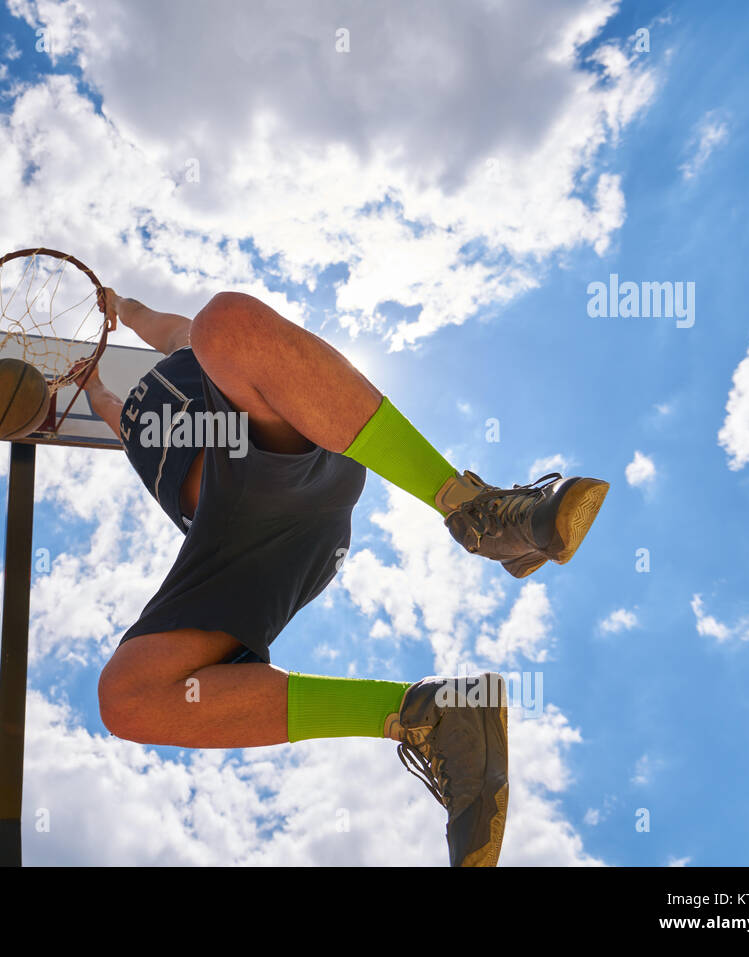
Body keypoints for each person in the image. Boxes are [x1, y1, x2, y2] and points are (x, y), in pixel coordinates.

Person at [81, 289, 609, 866]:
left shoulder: (186, 356)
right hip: (236, 539)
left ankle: (476, 509)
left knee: (223, 324)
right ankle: (431, 715)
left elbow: (163, 326)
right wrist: (88, 388)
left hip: (284, 458)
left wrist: (121, 307)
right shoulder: (132, 423)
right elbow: (111, 408)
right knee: (128, 699)